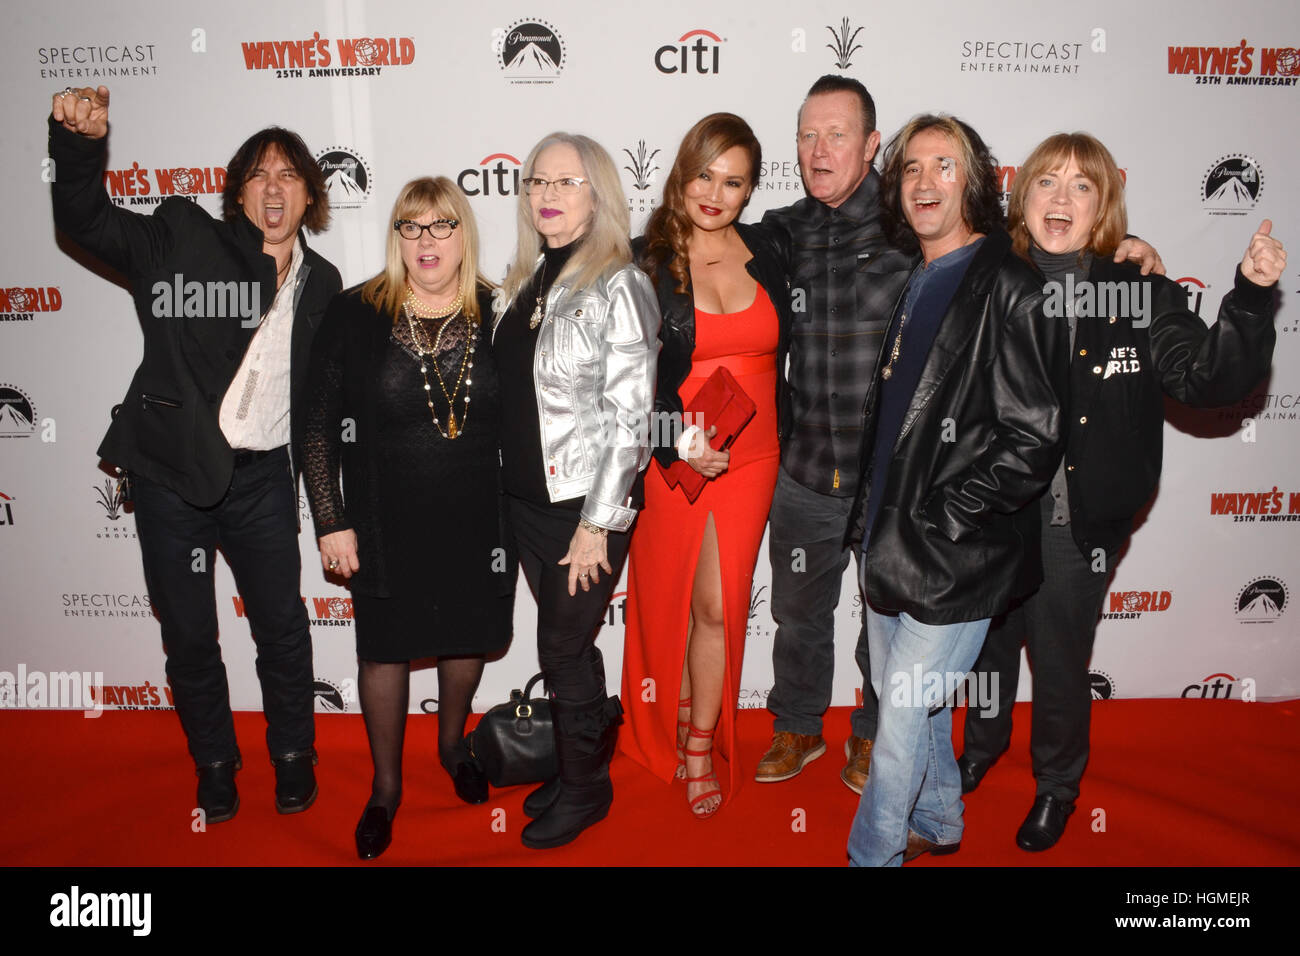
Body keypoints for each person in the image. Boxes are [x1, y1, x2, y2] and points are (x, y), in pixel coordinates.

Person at [757, 75, 1162, 795]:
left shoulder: (908, 226)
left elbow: (1019, 241)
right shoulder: (784, 231)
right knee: (798, 613)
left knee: (887, 623)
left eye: (837, 135)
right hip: (810, 468)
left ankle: (876, 740)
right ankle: (796, 724)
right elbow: (706, 239)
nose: (819, 150)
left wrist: (1120, 246)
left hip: (900, 476)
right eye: (807, 136)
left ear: (872, 147)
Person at [958, 133, 1284, 852]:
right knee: (988, 644)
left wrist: (1253, 299)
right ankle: (981, 747)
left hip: (1073, 516)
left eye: (1083, 186)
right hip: (990, 506)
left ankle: (1057, 786)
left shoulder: (1138, 292)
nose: (1062, 199)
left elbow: (1208, 379)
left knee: (1060, 655)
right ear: (1024, 195)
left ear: (1104, 205)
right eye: (1048, 182)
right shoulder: (987, 278)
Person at [48, 85, 340, 822]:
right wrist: (78, 149)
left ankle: (293, 753)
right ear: (239, 191)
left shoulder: (326, 287)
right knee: (188, 634)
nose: (274, 188)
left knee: (281, 626)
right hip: (173, 481)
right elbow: (85, 220)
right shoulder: (183, 238)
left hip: (265, 482)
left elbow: (327, 405)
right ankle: (215, 761)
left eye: (289, 175)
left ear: (310, 195)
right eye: (259, 174)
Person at [845, 114, 1067, 867]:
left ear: (973, 180)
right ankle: (938, 822)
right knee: (916, 703)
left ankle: (871, 856)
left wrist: (947, 517)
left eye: (944, 165)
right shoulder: (920, 276)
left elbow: (1033, 437)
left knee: (900, 716)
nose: (924, 182)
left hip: (954, 553)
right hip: (886, 539)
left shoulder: (1010, 285)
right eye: (910, 168)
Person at [299, 177, 515, 860]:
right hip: (384, 521)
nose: (427, 241)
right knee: (384, 649)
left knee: (464, 638)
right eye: (411, 227)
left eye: (441, 225)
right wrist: (331, 521)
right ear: (396, 237)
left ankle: (453, 748)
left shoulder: (499, 309)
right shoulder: (355, 312)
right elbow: (315, 428)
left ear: (464, 234)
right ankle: (386, 789)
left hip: (479, 520)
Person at [492, 132, 660, 849]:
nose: (548, 195)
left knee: (560, 650)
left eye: (567, 182)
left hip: (583, 510)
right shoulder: (527, 280)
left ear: (599, 197)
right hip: (526, 504)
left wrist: (598, 524)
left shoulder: (620, 283)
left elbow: (633, 418)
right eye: (537, 182)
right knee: (573, 649)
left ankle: (588, 791)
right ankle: (577, 764)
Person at [619, 113, 790, 817]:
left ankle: (698, 746)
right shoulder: (641, 260)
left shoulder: (774, 250)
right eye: (705, 175)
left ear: (751, 191)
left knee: (719, 605)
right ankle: (665, 718)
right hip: (677, 457)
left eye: (735, 181)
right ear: (682, 173)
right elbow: (621, 378)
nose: (716, 193)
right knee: (675, 601)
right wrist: (677, 440)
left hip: (753, 459)